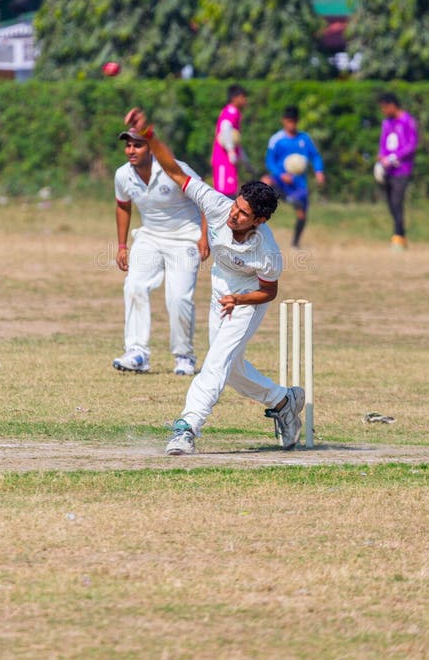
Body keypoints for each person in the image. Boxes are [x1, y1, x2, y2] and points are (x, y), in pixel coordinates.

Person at [123, 106, 306, 457]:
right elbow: (175, 171)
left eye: (243, 215)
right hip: (221, 290)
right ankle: (284, 400)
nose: (234, 216)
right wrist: (148, 134)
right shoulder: (220, 206)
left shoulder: (267, 252)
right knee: (232, 370)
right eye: (235, 207)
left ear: (261, 220)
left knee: (216, 363)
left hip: (247, 300)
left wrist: (239, 301)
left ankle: (187, 426)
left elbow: (269, 291)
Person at [113, 128, 210, 375]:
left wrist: (204, 237)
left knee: (177, 298)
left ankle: (184, 357)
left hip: (185, 237)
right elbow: (123, 206)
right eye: (128, 146)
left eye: (138, 145)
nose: (131, 151)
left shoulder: (174, 168)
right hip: (150, 237)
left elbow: (204, 199)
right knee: (134, 286)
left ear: (151, 147)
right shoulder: (123, 175)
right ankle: (137, 353)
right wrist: (122, 246)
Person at [262, 105, 325, 248]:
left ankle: (295, 243)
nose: (292, 124)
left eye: (294, 121)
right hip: (280, 181)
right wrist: (280, 174)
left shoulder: (304, 139)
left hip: (298, 184)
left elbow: (315, 156)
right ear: (283, 121)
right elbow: (269, 161)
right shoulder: (276, 139)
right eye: (289, 121)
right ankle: (254, 229)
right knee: (264, 181)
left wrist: (319, 171)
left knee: (302, 215)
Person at [377, 92, 418, 249]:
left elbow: (411, 145)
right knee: (391, 204)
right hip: (387, 170)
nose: (383, 111)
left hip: (402, 169)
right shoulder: (386, 123)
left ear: (392, 105)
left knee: (397, 201)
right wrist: (381, 157)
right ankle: (399, 235)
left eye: (385, 107)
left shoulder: (407, 121)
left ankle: (398, 237)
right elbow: (383, 143)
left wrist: (394, 157)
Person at [211, 84, 249, 198]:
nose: (245, 100)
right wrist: (231, 151)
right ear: (235, 98)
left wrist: (242, 157)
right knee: (223, 195)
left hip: (227, 160)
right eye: (243, 96)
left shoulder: (234, 112)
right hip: (223, 159)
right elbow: (225, 127)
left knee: (231, 192)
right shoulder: (231, 112)